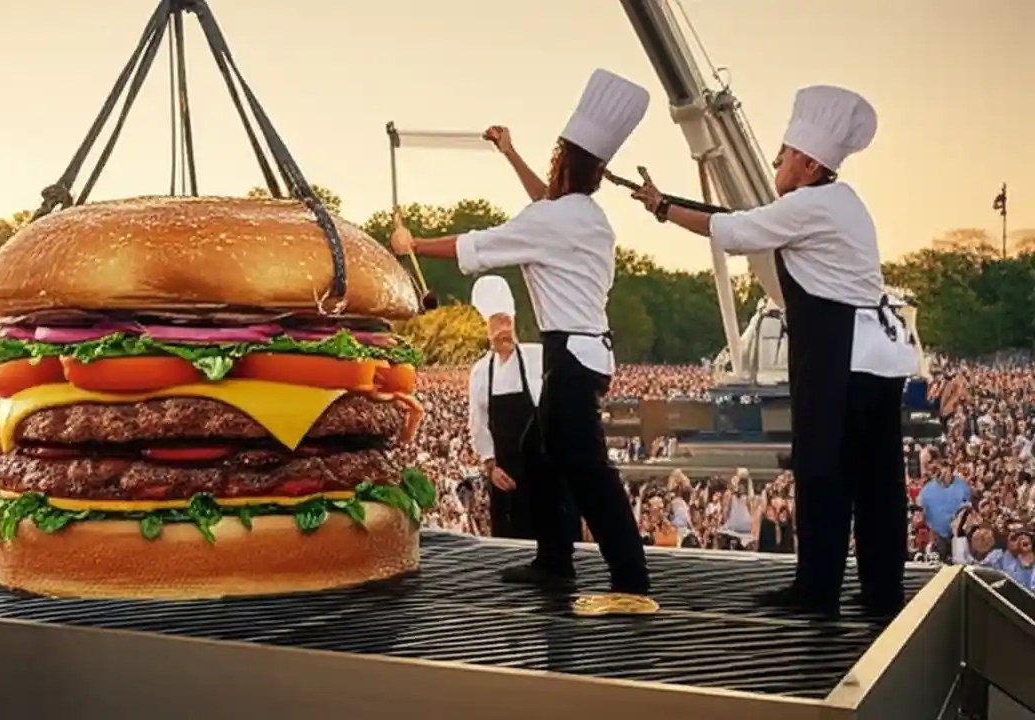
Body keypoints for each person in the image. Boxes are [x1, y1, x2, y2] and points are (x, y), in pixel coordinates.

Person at [629, 85, 919, 618]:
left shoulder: (807, 205)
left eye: (785, 154)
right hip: (877, 360)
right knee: (878, 483)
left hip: (839, 357)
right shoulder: (843, 201)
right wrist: (668, 203)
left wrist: (664, 208)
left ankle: (817, 591)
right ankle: (882, 592)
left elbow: (736, 230)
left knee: (823, 474)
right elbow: (743, 217)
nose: (776, 161)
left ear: (809, 164)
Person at [390, 68, 651, 596]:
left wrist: (414, 245)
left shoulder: (552, 221)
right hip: (580, 353)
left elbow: (480, 243)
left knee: (588, 471)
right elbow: (544, 206)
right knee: (538, 452)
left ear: (564, 163)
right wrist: (511, 154)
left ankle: (631, 578)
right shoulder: (587, 216)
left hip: (570, 357)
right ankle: (554, 560)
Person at [466, 276, 580, 545]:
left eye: (508, 322)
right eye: (497, 324)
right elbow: (478, 423)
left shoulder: (536, 356)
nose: (504, 330)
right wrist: (491, 466)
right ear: (486, 329)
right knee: (512, 544)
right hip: (507, 477)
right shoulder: (481, 372)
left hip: (548, 471)